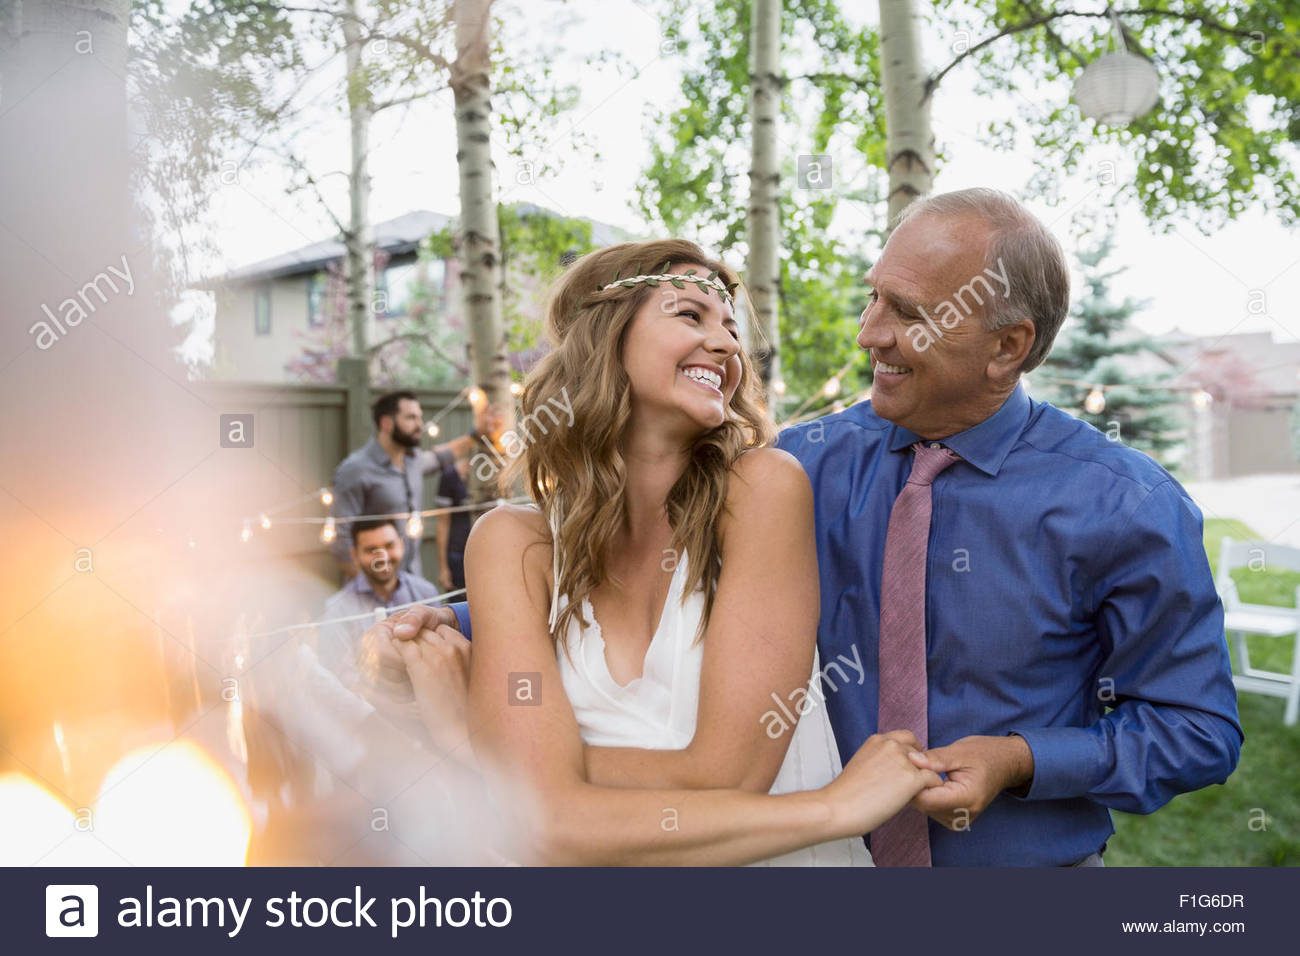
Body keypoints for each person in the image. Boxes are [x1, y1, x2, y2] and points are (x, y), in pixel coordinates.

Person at [377, 190, 1242, 867]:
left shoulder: (1125, 504)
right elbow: (629, 555)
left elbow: (1197, 730)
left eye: (905, 313)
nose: (870, 333)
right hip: (798, 863)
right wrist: (452, 623)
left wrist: (1022, 759)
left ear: (1007, 345)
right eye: (874, 298)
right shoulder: (800, 465)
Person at [382, 239, 939, 865]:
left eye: (731, 328)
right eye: (689, 315)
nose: (727, 345)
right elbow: (539, 825)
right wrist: (837, 807)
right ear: (607, 337)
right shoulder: (510, 545)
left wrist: (480, 744)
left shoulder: (762, 492)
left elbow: (725, 776)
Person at [329, 391, 503, 580]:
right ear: (386, 423)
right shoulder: (355, 469)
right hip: (374, 592)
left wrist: (477, 434)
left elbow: (442, 457)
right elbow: (342, 541)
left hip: (412, 582)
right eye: (411, 418)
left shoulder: (412, 461)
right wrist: (373, 590)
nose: (420, 425)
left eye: (419, 418)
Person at [319, 518, 441, 687]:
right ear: (355, 555)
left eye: (389, 546)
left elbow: (439, 656)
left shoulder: (426, 593)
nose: (382, 557)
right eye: (371, 550)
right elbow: (340, 675)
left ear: (402, 545)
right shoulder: (338, 609)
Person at [433, 451, 471, 592]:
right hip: (458, 555)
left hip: (488, 551)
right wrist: (443, 568)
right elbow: (442, 522)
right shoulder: (450, 476)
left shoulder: (494, 472)